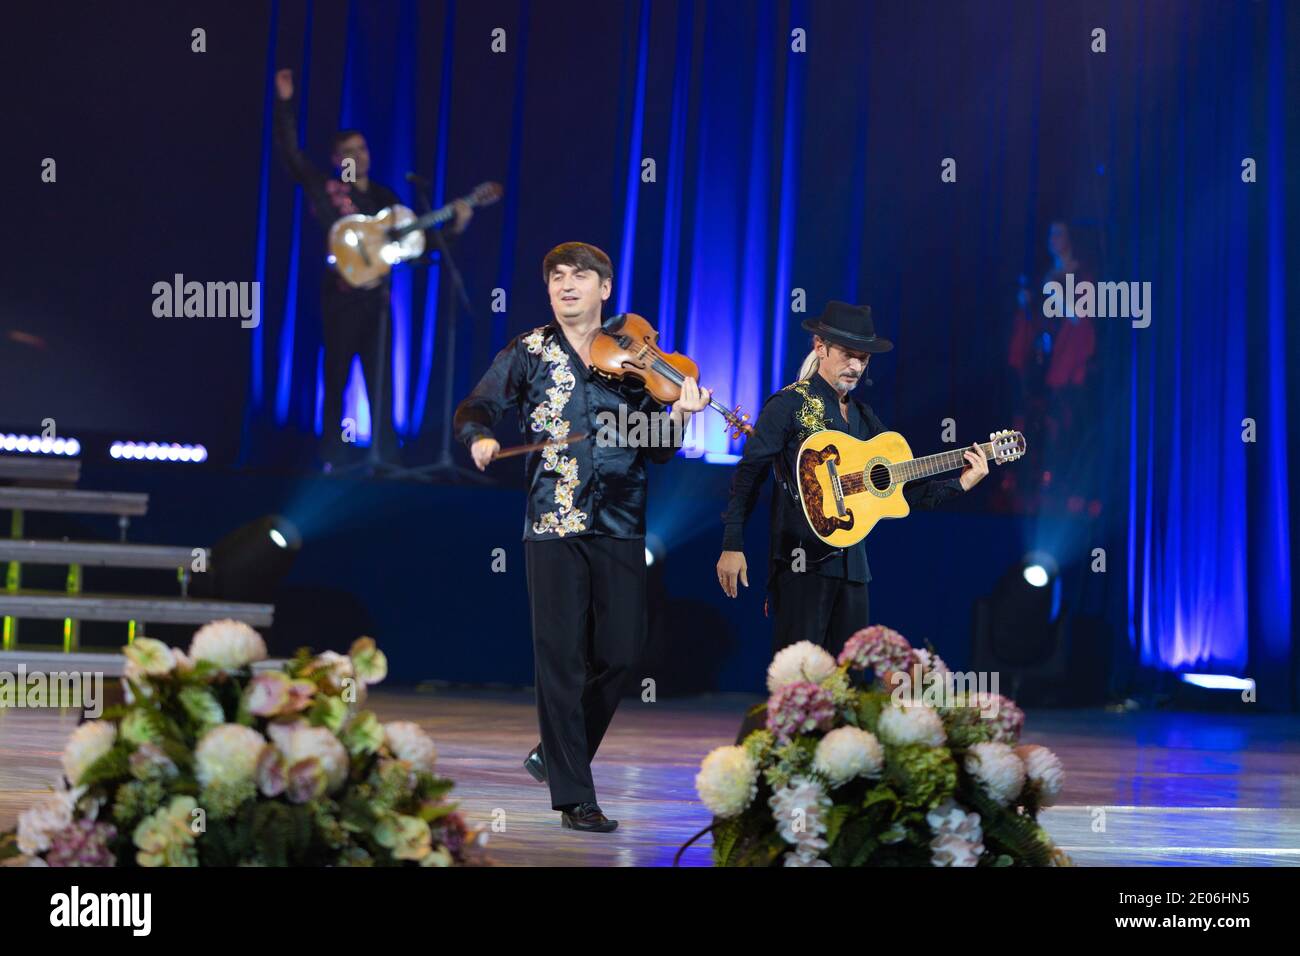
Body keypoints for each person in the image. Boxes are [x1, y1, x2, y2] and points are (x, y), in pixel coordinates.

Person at [454, 242, 711, 832]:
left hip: (622, 520)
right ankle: (576, 797)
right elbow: (479, 404)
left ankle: (554, 756)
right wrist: (478, 438)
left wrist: (681, 413)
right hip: (551, 524)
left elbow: (660, 446)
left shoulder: (632, 354)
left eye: (580, 276)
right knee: (560, 662)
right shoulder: (529, 350)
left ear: (605, 288)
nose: (566, 285)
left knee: (622, 650)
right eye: (557, 278)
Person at [716, 301, 989, 661]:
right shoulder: (788, 405)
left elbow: (904, 490)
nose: (857, 366)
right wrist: (732, 544)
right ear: (820, 347)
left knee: (852, 679)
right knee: (800, 677)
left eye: (864, 358)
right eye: (848, 355)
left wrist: (963, 483)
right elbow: (749, 474)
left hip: (853, 569)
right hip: (802, 565)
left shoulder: (863, 417)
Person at [272, 67, 472, 470]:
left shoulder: (385, 197)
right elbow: (292, 157)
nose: (358, 157)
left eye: (362, 150)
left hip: (378, 302)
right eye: (350, 151)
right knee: (337, 379)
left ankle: (386, 459)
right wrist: (285, 104)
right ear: (336, 158)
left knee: (382, 381)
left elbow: (414, 243)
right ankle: (334, 458)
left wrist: (454, 225)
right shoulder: (327, 189)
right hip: (340, 298)